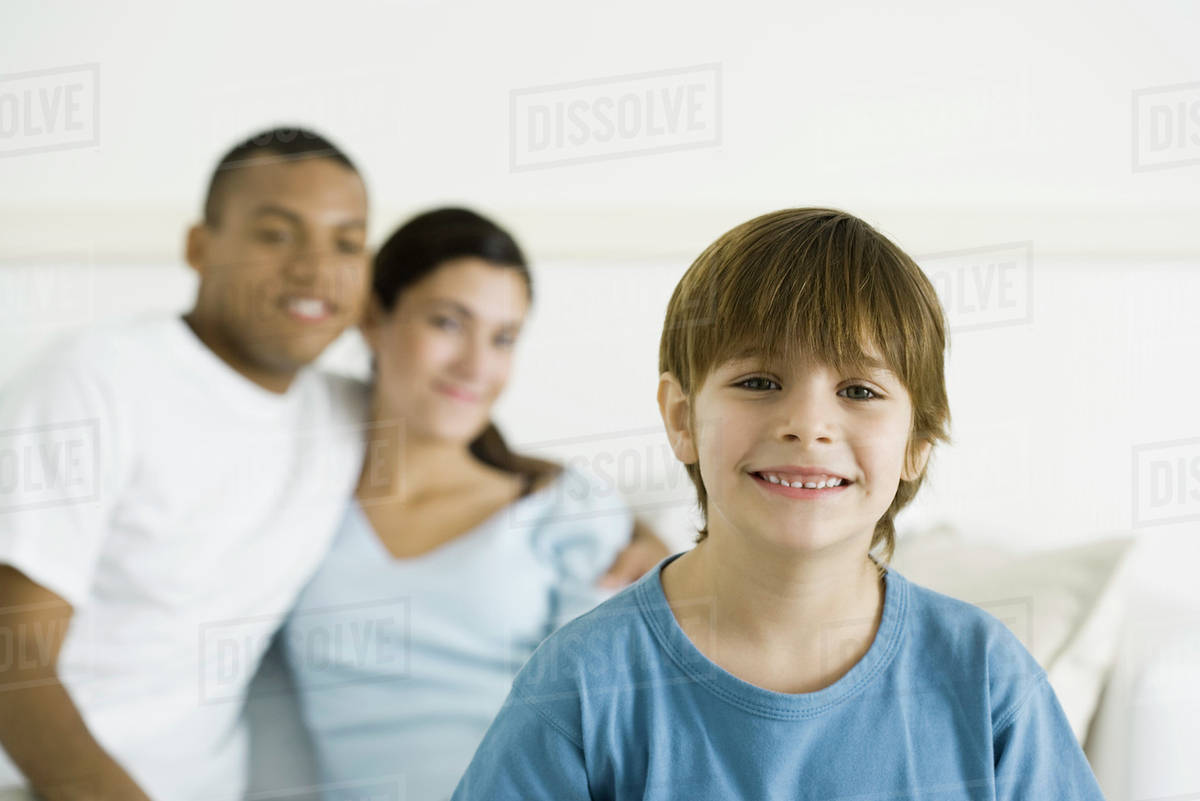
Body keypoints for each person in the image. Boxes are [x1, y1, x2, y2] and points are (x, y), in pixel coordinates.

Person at [450, 208, 1108, 800]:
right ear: (682, 418)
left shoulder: (986, 678)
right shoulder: (583, 684)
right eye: (759, 381)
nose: (807, 423)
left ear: (919, 443)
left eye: (858, 390)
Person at [282, 208, 664, 801]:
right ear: (373, 317)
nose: (477, 366)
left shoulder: (563, 510)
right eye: (447, 323)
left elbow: (615, 730)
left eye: (503, 338)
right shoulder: (296, 493)